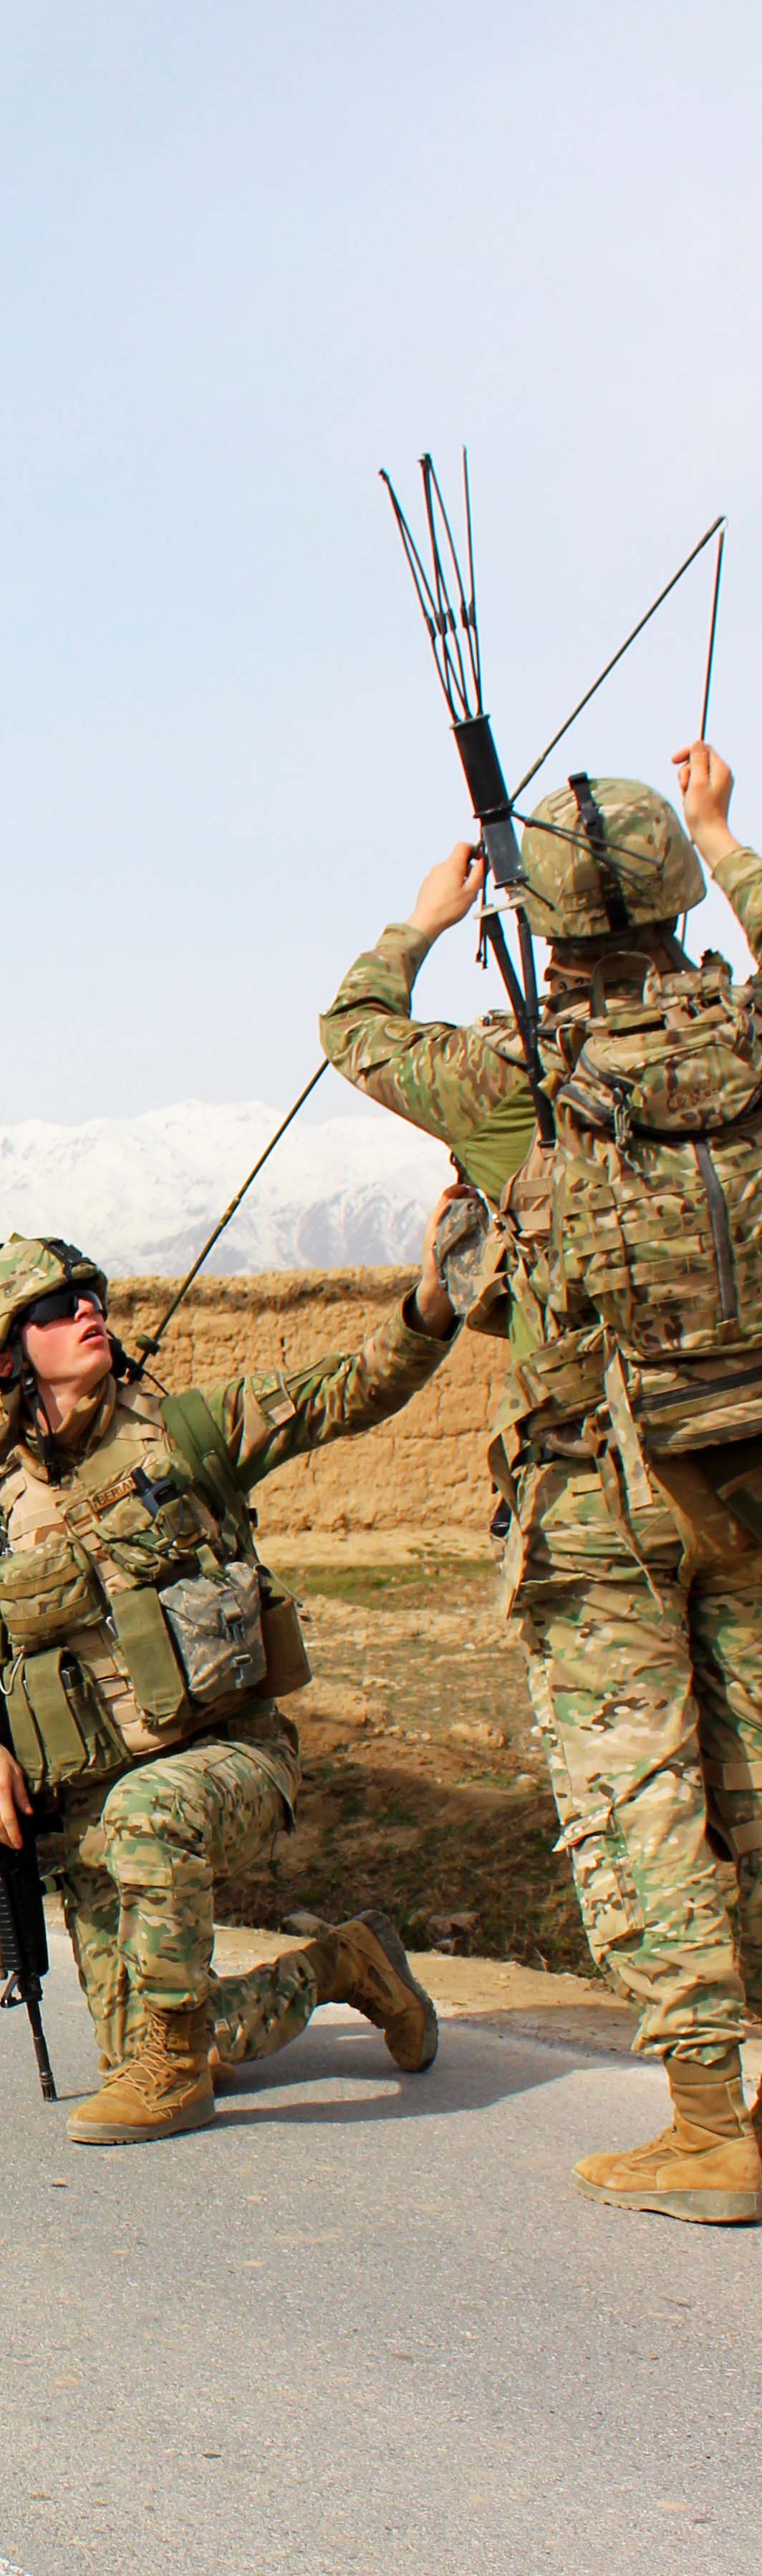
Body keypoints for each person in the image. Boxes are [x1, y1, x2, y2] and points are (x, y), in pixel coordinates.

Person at [320, 741, 762, 2226]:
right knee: (757, 1791)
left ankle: (710, 2127)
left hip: (598, 1498)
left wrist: (425, 918)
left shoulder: (507, 1078)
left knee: (637, 1797)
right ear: (680, 893)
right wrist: (726, 834)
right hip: (750, 1472)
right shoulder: (754, 1045)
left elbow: (351, 1026)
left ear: (550, 922)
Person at [0, 1227, 460, 2144]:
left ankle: (174, 2081)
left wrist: (429, 1308)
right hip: (92, 1812)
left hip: (232, 1756)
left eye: (92, 1296)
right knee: (172, 2035)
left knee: (149, 1819)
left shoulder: (190, 1433)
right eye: (55, 1305)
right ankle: (349, 1965)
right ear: (7, 1353)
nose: (87, 1310)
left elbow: (346, 1392)